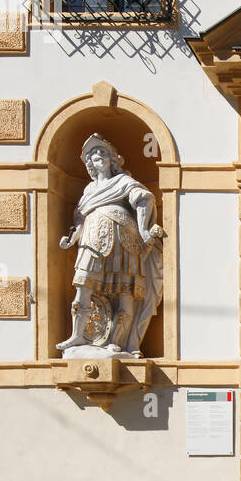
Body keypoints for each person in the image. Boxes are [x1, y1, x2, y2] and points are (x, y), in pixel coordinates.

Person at [56, 133, 165, 358]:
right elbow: (80, 218)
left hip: (124, 239)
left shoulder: (123, 181)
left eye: (104, 154)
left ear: (113, 159)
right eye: (95, 156)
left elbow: (144, 197)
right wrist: (72, 238)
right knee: (83, 285)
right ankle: (78, 334)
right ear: (90, 165)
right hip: (92, 239)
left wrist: (144, 229)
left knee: (125, 292)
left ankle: (119, 341)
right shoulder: (88, 190)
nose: (100, 158)